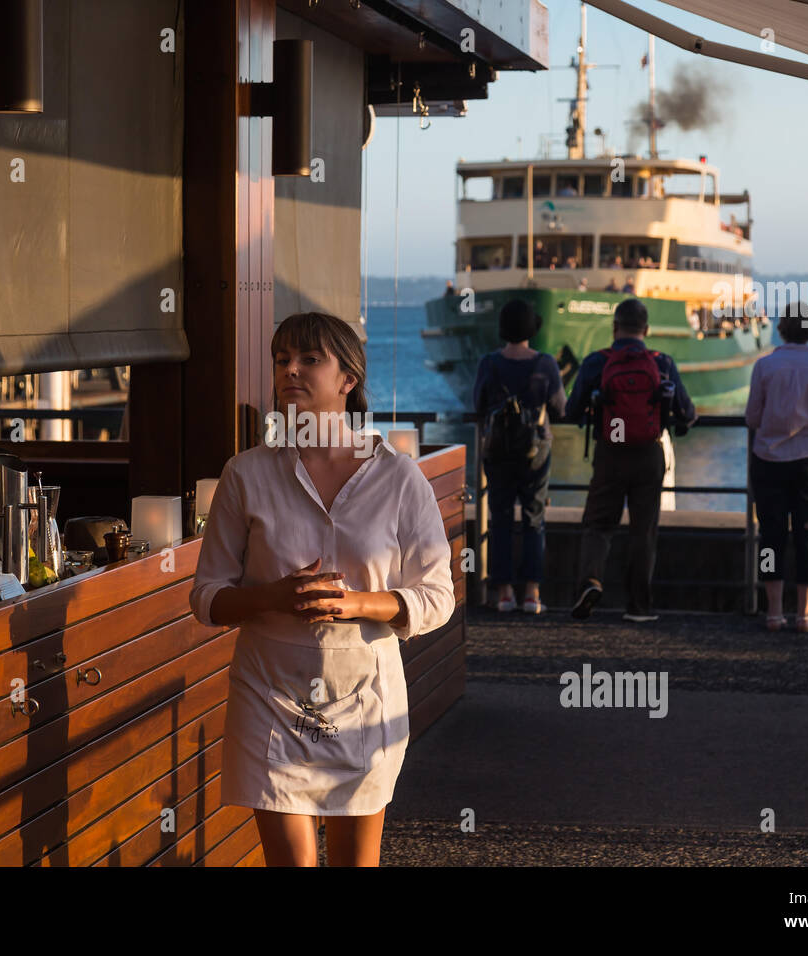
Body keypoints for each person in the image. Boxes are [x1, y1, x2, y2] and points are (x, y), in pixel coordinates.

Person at [189, 311, 455, 866]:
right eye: (281, 359)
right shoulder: (246, 474)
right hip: (269, 693)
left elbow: (436, 597)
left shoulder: (399, 479)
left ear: (347, 380)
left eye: (310, 359)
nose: (290, 370)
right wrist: (273, 596)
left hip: (366, 694)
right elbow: (207, 595)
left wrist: (355, 603)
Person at [565, 298, 697, 622]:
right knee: (643, 530)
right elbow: (687, 413)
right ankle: (639, 606)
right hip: (649, 453)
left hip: (611, 451)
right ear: (647, 330)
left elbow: (571, 411)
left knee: (598, 524)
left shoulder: (597, 362)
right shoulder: (662, 362)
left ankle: (591, 581)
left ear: (614, 328)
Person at [745, 303, 808, 633]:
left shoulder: (764, 367)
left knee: (771, 536)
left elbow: (752, 418)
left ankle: (772, 612)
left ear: (782, 328)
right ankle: (804, 615)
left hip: (768, 460)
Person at [473, 299, 566, 614]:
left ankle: (503, 593)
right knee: (533, 519)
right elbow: (560, 408)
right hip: (535, 449)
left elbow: (479, 406)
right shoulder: (545, 364)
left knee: (499, 519)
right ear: (531, 329)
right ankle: (531, 593)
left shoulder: (489, 363)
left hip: (498, 450)